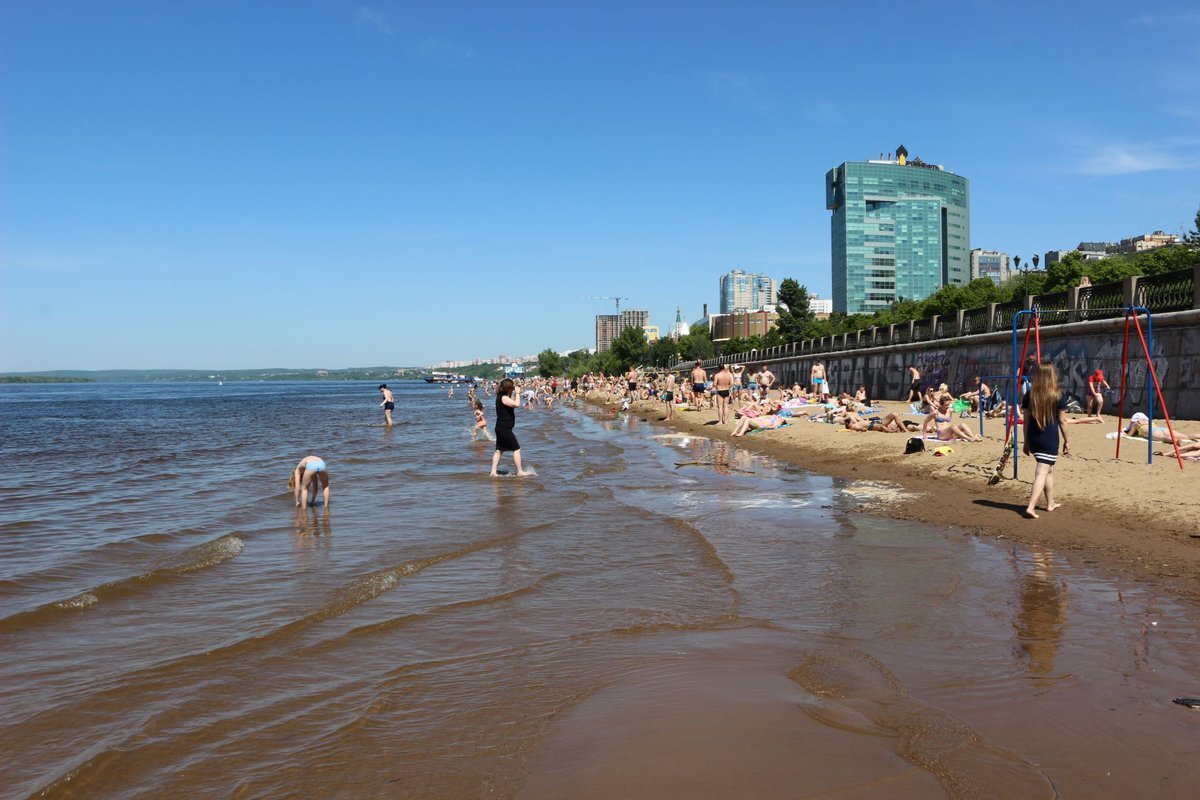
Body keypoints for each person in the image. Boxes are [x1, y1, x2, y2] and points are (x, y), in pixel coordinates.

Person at [1022, 363, 1069, 519]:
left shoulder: (1029, 395)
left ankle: (1050, 503)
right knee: (1042, 471)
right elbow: (1063, 421)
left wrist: (1026, 442)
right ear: (1052, 376)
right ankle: (1031, 507)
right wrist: (1067, 440)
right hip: (1049, 439)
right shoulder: (1057, 395)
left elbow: (1026, 421)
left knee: (1048, 470)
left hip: (1034, 438)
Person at [491, 378, 531, 477]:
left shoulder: (501, 396)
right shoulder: (503, 398)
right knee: (516, 449)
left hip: (501, 427)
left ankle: (493, 472)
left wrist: (514, 392)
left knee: (499, 450)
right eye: (511, 388)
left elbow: (511, 402)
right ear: (508, 388)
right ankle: (520, 471)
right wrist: (517, 393)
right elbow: (516, 404)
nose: (513, 389)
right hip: (504, 428)